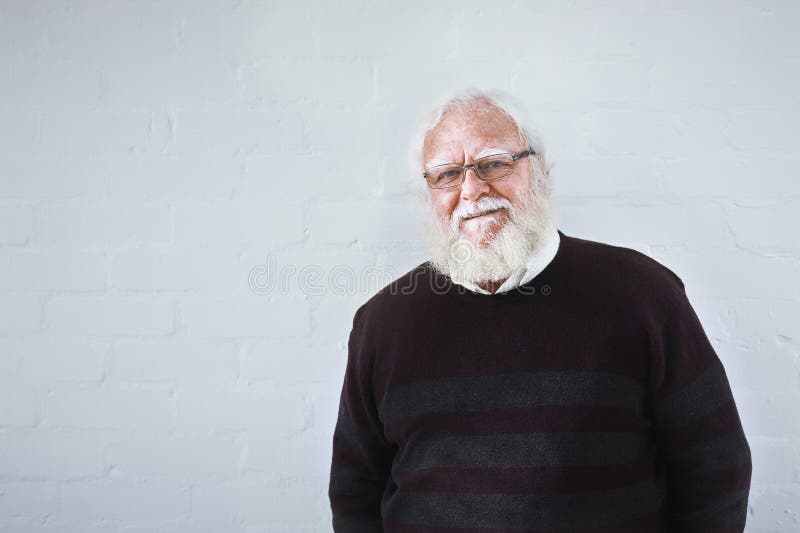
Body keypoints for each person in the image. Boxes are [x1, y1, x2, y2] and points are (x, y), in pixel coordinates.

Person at [328, 88, 752, 532]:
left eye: (494, 164)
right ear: (428, 194)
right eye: (448, 175)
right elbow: (356, 489)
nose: (471, 190)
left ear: (541, 172)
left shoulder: (643, 295)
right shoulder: (384, 323)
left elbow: (715, 466)